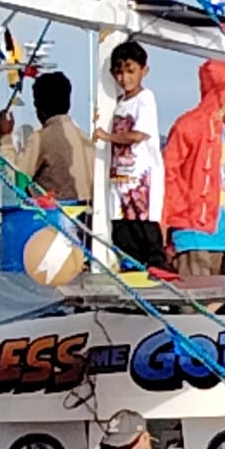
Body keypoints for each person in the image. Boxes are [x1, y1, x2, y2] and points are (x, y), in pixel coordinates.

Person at [162, 59, 225, 279]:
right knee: (195, 305)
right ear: (221, 90)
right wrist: (169, 223)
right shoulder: (188, 125)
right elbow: (169, 175)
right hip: (195, 234)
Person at [96, 39, 168, 273]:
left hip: (141, 184)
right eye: (119, 72)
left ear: (143, 71)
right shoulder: (117, 103)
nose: (124, 78)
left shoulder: (145, 99)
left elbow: (138, 135)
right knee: (125, 240)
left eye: (130, 71)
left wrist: (107, 137)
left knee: (147, 237)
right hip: (120, 185)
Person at [0, 71, 94, 204]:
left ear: (38, 106)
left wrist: (5, 137)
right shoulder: (86, 140)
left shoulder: (41, 139)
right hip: (86, 219)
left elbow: (15, 177)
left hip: (54, 220)